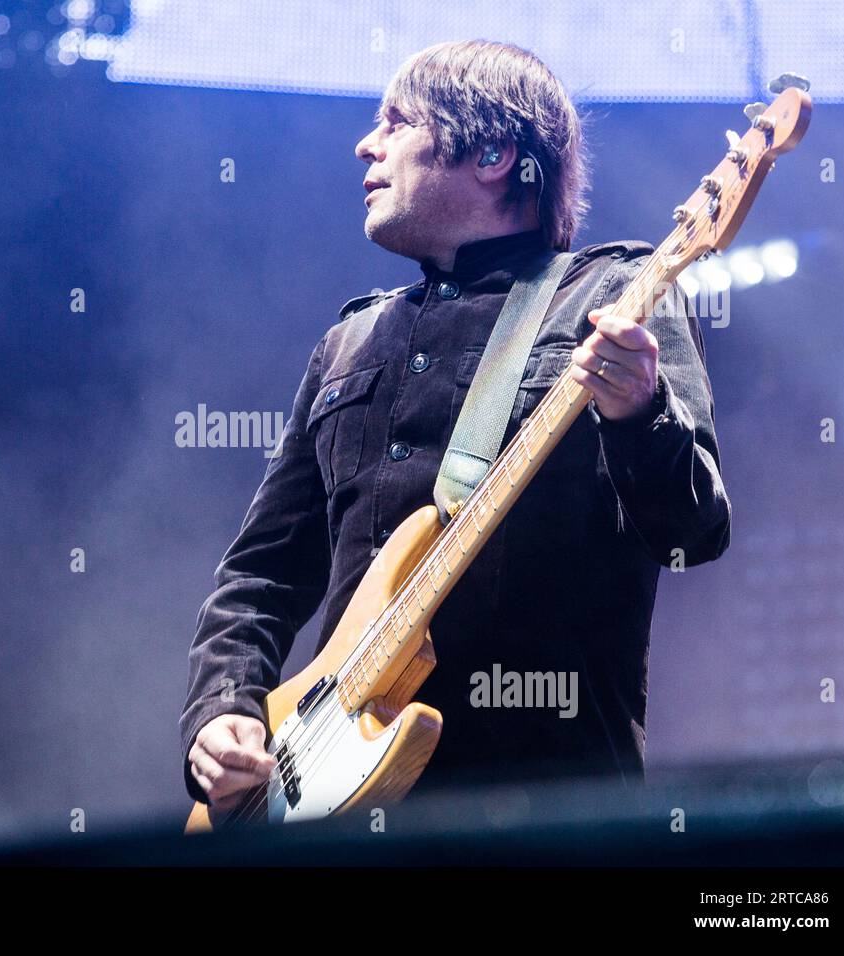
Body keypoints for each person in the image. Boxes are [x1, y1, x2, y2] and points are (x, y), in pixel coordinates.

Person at [180, 40, 731, 819]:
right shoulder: (349, 341)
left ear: (495, 152)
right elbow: (259, 578)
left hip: (542, 808)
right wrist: (224, 711)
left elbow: (694, 533)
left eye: (397, 121)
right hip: (329, 794)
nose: (365, 145)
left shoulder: (615, 296)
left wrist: (639, 411)